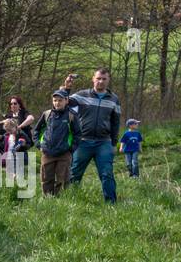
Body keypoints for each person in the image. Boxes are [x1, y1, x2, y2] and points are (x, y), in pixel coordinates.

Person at [68, 68, 121, 204]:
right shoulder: (81, 95)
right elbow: (62, 102)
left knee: (107, 174)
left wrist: (114, 144)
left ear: (108, 80)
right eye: (98, 78)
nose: (101, 81)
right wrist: (66, 87)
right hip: (82, 142)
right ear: (93, 79)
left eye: (104, 79)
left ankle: (111, 204)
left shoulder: (114, 99)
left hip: (104, 142)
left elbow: (116, 122)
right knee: (74, 173)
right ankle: (71, 201)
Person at [36, 90, 79, 196]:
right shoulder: (47, 114)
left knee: (62, 179)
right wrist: (39, 145)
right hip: (47, 152)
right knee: (46, 178)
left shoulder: (71, 116)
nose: (57, 103)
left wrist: (70, 149)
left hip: (64, 154)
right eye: (55, 100)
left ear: (66, 101)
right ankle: (47, 200)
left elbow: (78, 134)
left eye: (60, 100)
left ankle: (60, 201)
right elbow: (36, 130)